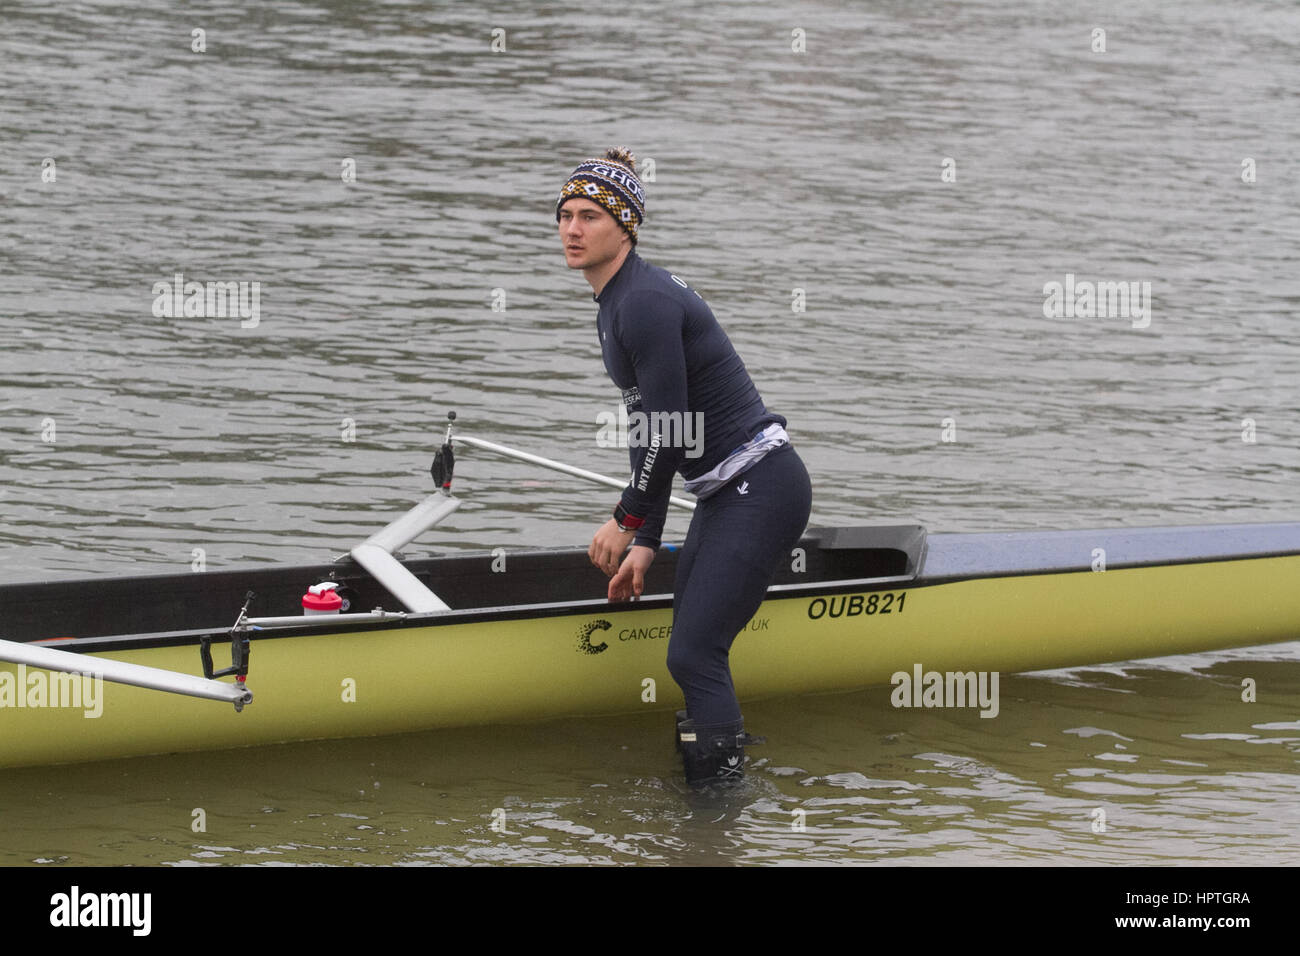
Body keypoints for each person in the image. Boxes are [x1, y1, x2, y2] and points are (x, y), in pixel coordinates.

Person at [556, 147, 812, 786]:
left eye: (589, 215)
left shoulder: (640, 303)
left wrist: (625, 517)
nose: (572, 228)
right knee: (692, 653)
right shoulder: (616, 302)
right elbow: (652, 429)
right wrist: (645, 542)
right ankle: (706, 822)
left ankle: (719, 806)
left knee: (695, 652)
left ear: (626, 226)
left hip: (762, 486)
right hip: (729, 494)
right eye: (564, 214)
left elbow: (670, 432)